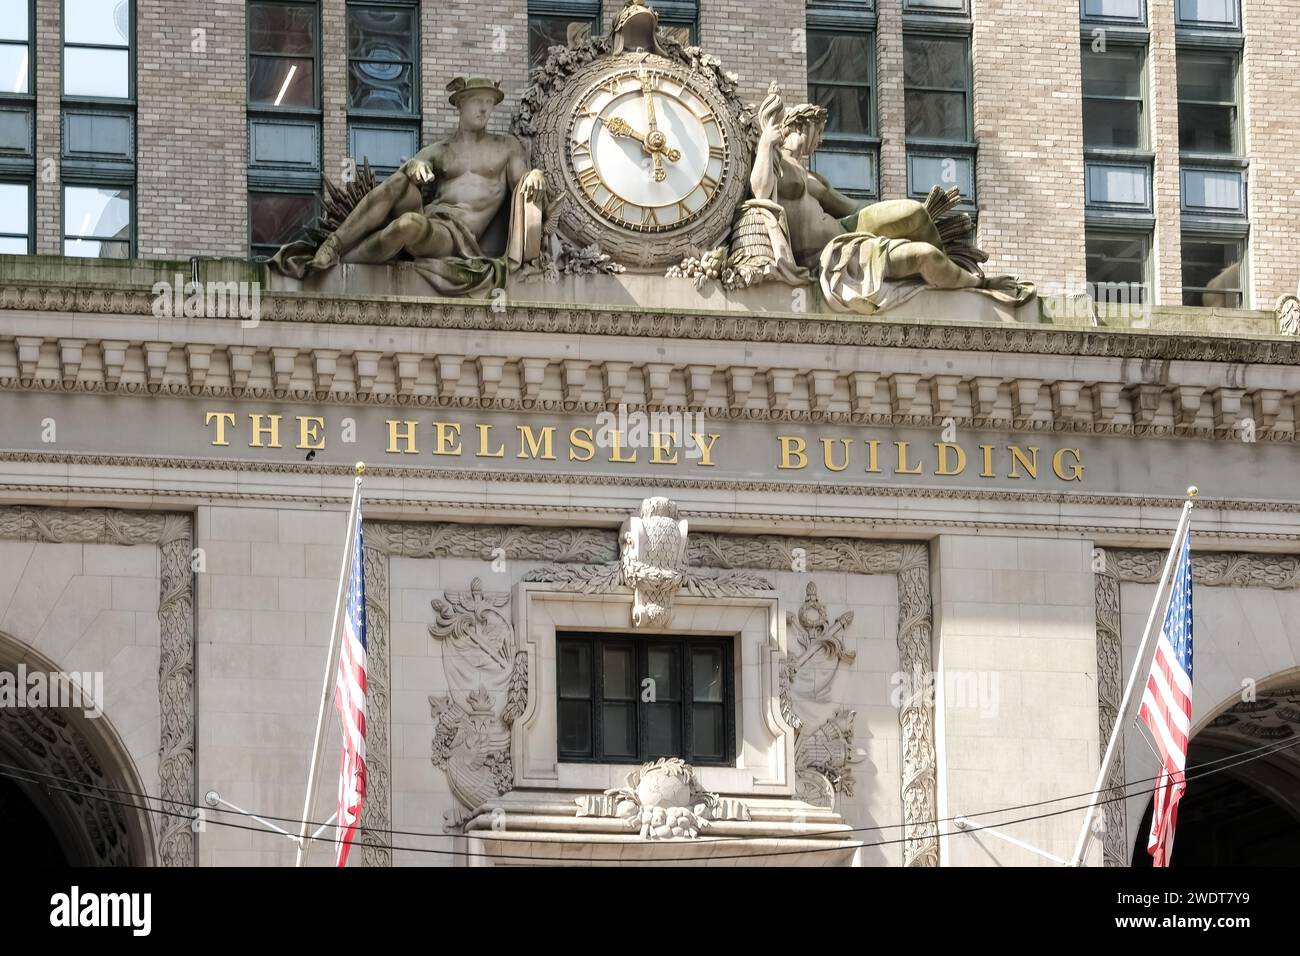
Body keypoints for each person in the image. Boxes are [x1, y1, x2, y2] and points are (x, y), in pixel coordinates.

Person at [748, 85, 1032, 314]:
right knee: (924, 255)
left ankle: (954, 269)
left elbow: (852, 208)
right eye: (818, 132)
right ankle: (976, 283)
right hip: (829, 253)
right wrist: (764, 144)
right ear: (803, 127)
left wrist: (890, 219)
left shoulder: (813, 178)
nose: (819, 142)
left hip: (847, 230)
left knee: (915, 212)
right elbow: (760, 192)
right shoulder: (774, 160)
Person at [273, 77, 544, 296]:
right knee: (401, 179)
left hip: (457, 239)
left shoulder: (506, 148)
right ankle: (334, 244)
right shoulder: (439, 151)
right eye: (477, 102)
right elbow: (413, 168)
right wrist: (414, 167)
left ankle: (341, 263)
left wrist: (534, 175)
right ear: (460, 105)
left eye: (489, 102)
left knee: (407, 225)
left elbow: (522, 182)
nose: (484, 109)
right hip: (434, 217)